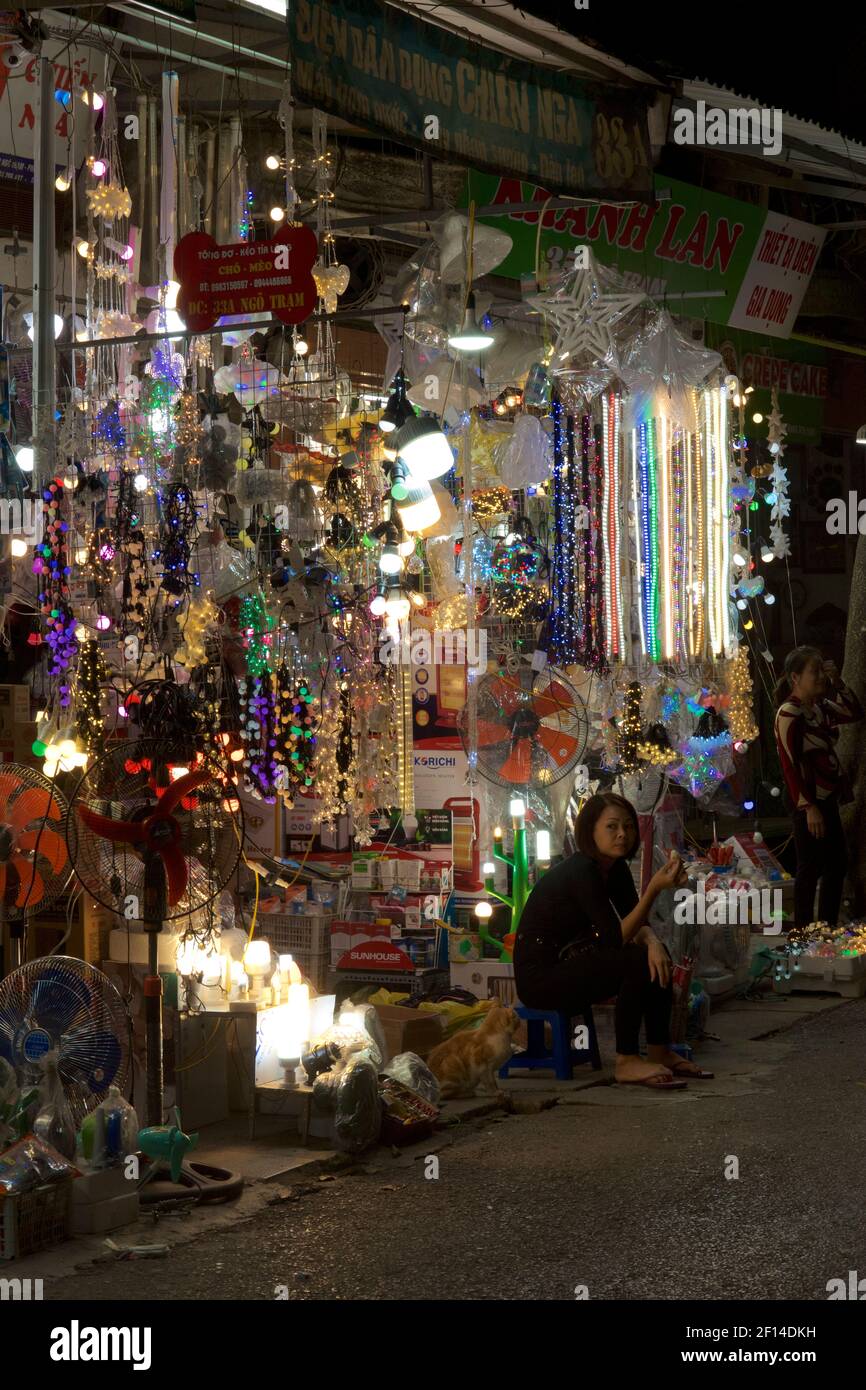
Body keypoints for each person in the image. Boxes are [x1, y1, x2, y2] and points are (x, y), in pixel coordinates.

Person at [513, 792, 714, 1091]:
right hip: (542, 978)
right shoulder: (581, 871)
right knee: (634, 961)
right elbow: (614, 939)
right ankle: (626, 1060)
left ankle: (660, 1050)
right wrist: (654, 889)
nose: (623, 834)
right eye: (612, 826)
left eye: (629, 826)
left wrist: (654, 942)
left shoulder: (615, 868)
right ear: (590, 831)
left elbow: (635, 921)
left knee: (655, 956)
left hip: (573, 962)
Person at [773, 646, 863, 929]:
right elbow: (789, 764)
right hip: (807, 800)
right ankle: (802, 934)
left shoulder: (820, 709)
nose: (820, 677)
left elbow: (854, 712)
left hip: (826, 799)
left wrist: (838, 682)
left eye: (821, 671)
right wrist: (808, 807)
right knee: (809, 867)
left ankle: (825, 927)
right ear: (795, 678)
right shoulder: (789, 713)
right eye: (815, 672)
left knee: (837, 863)